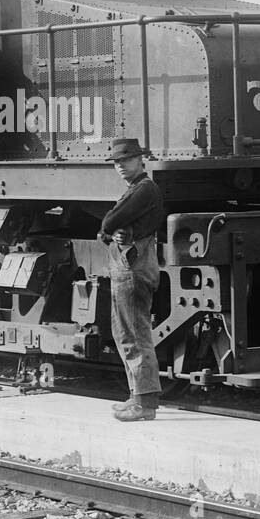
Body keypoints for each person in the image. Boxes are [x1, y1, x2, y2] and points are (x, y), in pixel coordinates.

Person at [97, 137, 165, 422]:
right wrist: (113, 230)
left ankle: (145, 404)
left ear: (141, 160)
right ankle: (136, 396)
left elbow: (110, 220)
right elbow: (115, 224)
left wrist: (108, 230)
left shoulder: (144, 189)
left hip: (133, 265)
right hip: (129, 263)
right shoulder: (138, 189)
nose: (121, 166)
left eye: (126, 160)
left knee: (135, 334)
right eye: (117, 162)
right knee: (125, 333)